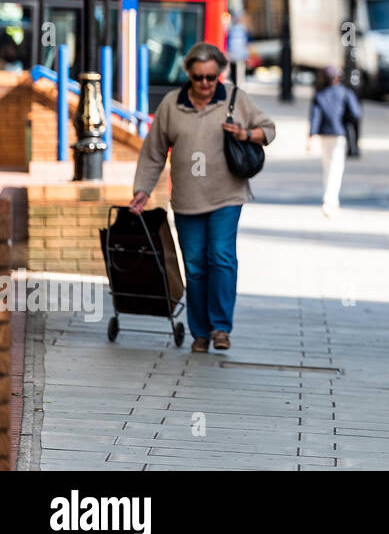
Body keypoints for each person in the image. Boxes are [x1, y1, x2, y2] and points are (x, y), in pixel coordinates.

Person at [128, 42, 275, 353]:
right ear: (189, 75)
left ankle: (221, 327)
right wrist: (142, 189)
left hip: (227, 195)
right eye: (199, 78)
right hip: (186, 199)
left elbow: (268, 130)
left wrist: (244, 134)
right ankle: (200, 332)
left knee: (220, 257)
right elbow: (153, 152)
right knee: (195, 264)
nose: (206, 84)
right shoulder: (172, 105)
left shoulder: (235, 99)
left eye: (212, 77)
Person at [308, 66, 362, 218]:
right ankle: (331, 200)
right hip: (340, 134)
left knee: (327, 166)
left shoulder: (320, 95)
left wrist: (311, 136)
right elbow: (356, 113)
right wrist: (346, 120)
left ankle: (330, 199)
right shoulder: (345, 93)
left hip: (325, 135)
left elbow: (315, 117)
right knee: (336, 168)